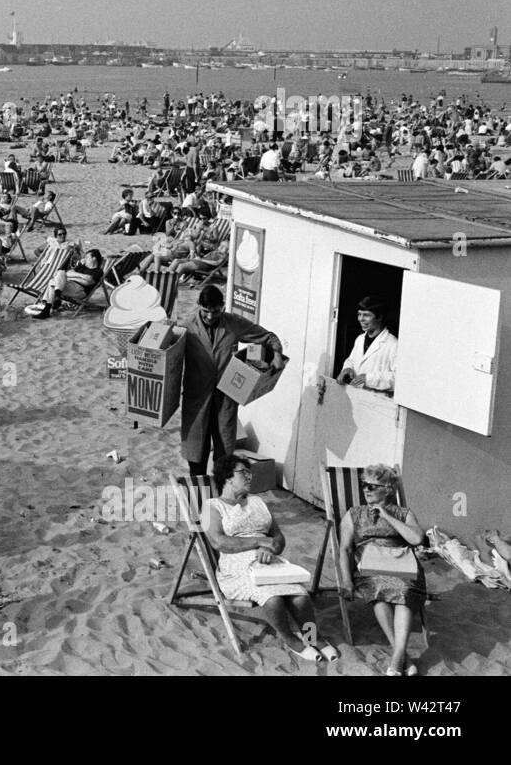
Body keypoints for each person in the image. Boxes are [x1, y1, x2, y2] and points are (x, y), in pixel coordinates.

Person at [206, 455, 339, 663]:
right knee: (274, 599)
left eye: (250, 472)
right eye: (243, 472)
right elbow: (218, 542)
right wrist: (260, 542)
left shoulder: (258, 502)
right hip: (236, 566)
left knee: (301, 597)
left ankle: (314, 637)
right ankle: (290, 639)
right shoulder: (211, 506)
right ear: (228, 478)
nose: (250, 476)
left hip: (269, 561)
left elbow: (278, 538)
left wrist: (272, 547)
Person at [180, 284, 287, 484]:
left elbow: (267, 336)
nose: (210, 317)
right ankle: (198, 502)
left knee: (223, 455)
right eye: (205, 312)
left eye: (215, 312)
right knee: (196, 455)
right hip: (196, 400)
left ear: (222, 307)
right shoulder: (187, 327)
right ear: (198, 307)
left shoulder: (233, 323)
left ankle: (222, 499)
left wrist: (278, 354)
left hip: (225, 398)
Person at [336, 463, 426, 676]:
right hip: (370, 566)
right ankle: (401, 657)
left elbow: (416, 538)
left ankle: (397, 657)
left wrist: (386, 515)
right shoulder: (353, 514)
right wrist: (347, 581)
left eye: (372, 486)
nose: (366, 489)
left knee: (405, 591)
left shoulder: (404, 514)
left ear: (388, 489)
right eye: (364, 485)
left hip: (402, 564)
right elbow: (345, 549)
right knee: (379, 591)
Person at [336, 295, 398, 393]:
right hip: (356, 396)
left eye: (366, 315)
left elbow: (398, 379)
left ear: (379, 317)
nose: (361, 319)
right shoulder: (360, 339)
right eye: (359, 314)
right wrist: (347, 368)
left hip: (378, 401)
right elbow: (351, 361)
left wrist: (369, 378)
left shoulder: (393, 344)